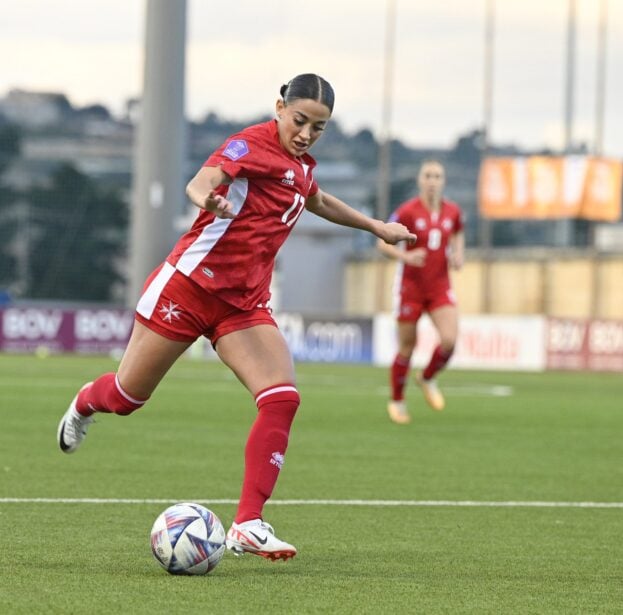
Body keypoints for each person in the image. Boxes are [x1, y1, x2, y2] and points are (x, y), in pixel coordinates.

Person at [57, 74, 416, 562]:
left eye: (320, 127)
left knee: (282, 397)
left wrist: (375, 226)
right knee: (126, 397)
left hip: (243, 305)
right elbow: (203, 179)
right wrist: (205, 198)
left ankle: (248, 523)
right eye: (300, 120)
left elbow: (319, 200)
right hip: (187, 288)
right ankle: (83, 403)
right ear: (279, 108)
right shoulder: (250, 144)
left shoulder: (301, 168)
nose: (307, 133)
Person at [376, 159, 464, 425]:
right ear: (420, 180)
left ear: (443, 181)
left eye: (437, 176)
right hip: (410, 288)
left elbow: (458, 232)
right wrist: (406, 256)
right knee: (407, 346)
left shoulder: (453, 212)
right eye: (428, 175)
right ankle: (397, 400)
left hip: (439, 286)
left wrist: (459, 253)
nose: (432, 181)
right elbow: (383, 243)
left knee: (449, 340)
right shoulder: (407, 212)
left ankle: (426, 377)